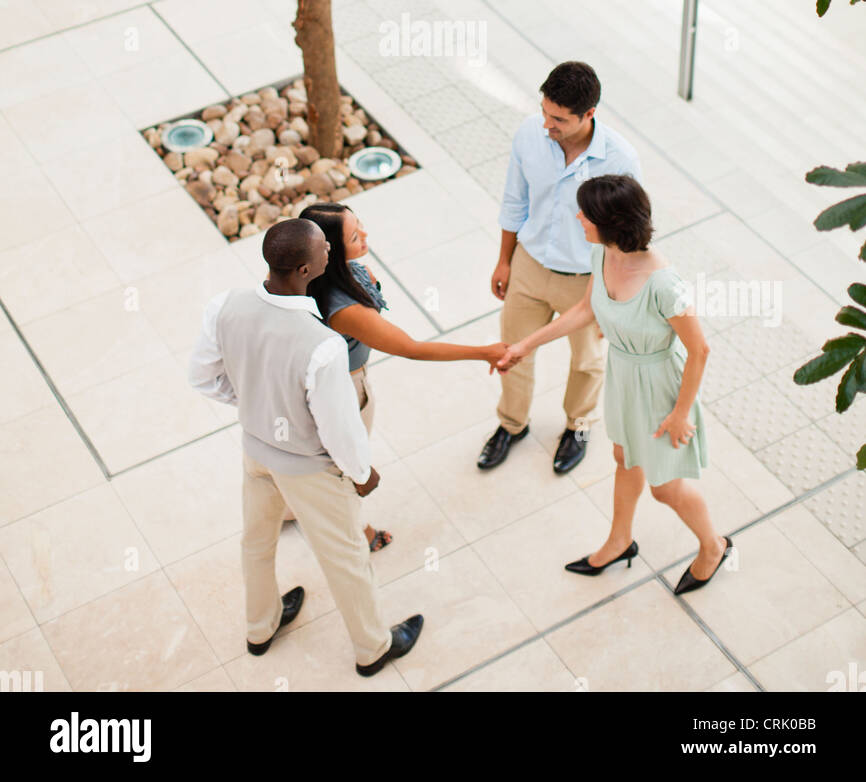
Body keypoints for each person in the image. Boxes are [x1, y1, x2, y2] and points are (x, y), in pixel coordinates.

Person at [188, 217, 423, 675]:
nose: (330, 255)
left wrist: (251, 401)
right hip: (308, 471)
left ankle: (260, 627)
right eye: (323, 252)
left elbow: (201, 376)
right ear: (303, 271)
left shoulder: (224, 305)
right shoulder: (323, 346)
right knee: (346, 557)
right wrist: (362, 473)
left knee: (255, 542)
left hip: (255, 452)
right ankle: (373, 648)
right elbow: (338, 430)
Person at [498, 175, 732, 594]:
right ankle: (619, 541)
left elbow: (700, 351)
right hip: (625, 375)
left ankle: (713, 546)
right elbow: (585, 309)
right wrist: (526, 345)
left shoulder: (662, 283)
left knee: (665, 488)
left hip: (661, 386)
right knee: (624, 458)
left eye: (586, 213)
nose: (579, 218)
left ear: (611, 222)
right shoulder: (601, 253)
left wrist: (680, 414)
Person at [299, 201, 508, 548]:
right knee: (343, 466)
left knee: (320, 457)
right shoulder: (344, 308)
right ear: (331, 253)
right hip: (346, 388)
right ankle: (357, 532)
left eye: (360, 224)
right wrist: (484, 352)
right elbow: (411, 348)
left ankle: (290, 502)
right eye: (354, 235)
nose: (365, 234)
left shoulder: (329, 274)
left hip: (333, 380)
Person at [478, 60, 642, 475]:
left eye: (559, 119)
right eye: (545, 111)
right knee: (512, 351)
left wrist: (616, 297)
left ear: (589, 114)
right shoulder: (530, 134)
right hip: (529, 266)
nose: (547, 124)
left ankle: (578, 425)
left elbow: (627, 237)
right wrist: (504, 259)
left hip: (587, 281)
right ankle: (511, 424)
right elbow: (514, 200)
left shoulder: (621, 160)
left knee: (587, 361)